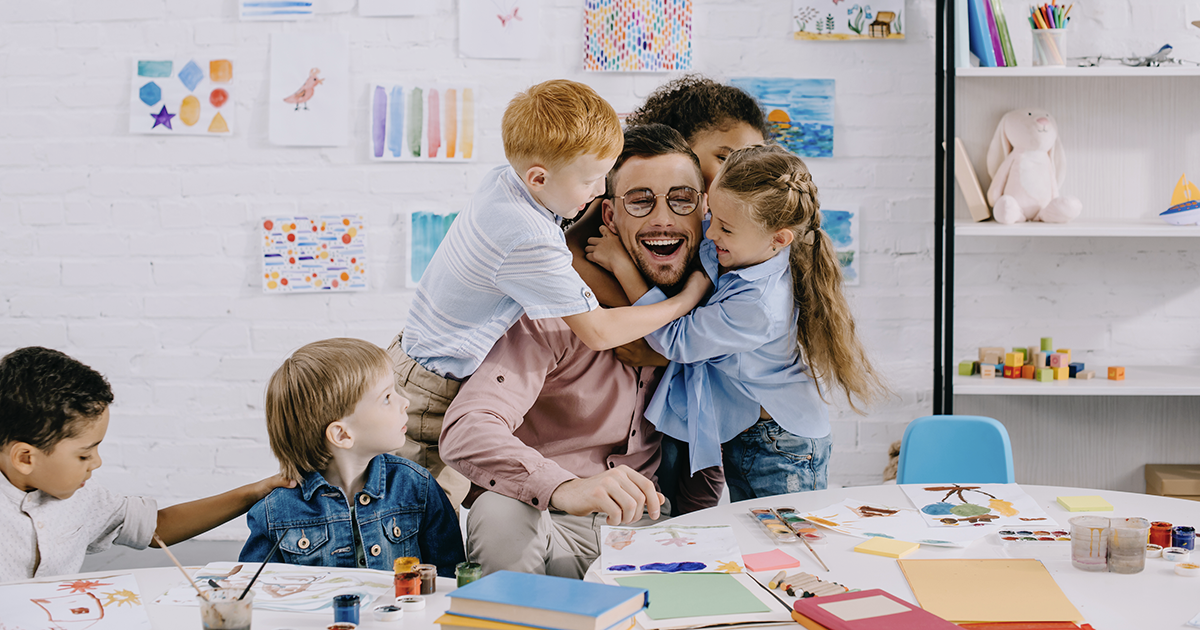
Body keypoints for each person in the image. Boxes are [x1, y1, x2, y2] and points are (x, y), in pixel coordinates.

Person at [390, 80, 706, 509]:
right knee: (419, 521)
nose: (597, 194)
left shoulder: (507, 182)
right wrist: (682, 303)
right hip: (431, 389)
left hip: (418, 358)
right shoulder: (528, 236)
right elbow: (596, 331)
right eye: (593, 181)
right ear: (538, 177)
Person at [440, 124, 713, 578]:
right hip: (549, 520)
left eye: (681, 199)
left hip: (653, 532)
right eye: (641, 201)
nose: (663, 219)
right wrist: (565, 486)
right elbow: (468, 429)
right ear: (608, 216)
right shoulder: (554, 312)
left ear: (703, 211)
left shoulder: (716, 320)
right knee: (498, 510)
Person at [586, 144, 888, 501]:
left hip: (779, 444)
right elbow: (709, 255)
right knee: (754, 536)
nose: (711, 235)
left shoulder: (759, 306)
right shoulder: (753, 246)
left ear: (778, 239)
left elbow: (675, 340)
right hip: (750, 431)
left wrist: (623, 266)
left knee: (783, 541)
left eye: (725, 229)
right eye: (711, 215)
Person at [566, 75, 769, 513]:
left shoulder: (731, 229)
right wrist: (656, 331)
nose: (739, 171)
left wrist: (663, 350)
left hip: (713, 408)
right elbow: (571, 261)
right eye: (725, 157)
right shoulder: (607, 205)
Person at [0, 346, 294, 582]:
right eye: (84, 455)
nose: (96, 463)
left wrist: (255, 491)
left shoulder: (83, 495)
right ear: (26, 458)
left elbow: (158, 528)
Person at [239, 338, 465, 576]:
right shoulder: (274, 511)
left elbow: (449, 576)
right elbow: (255, 592)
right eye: (387, 397)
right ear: (342, 434)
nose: (405, 402)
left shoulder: (417, 486)